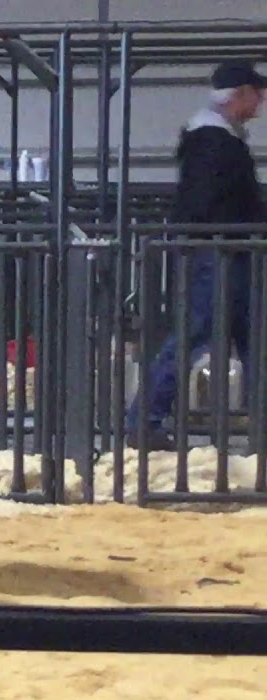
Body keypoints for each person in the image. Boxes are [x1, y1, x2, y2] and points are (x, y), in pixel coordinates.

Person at [125, 60, 265, 451]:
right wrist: (240, 227)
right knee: (196, 333)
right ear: (239, 95)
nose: (261, 101)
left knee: (241, 337)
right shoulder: (214, 141)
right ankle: (144, 420)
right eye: (256, 93)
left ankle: (146, 420)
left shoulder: (213, 137)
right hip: (219, 252)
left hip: (225, 250)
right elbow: (209, 202)